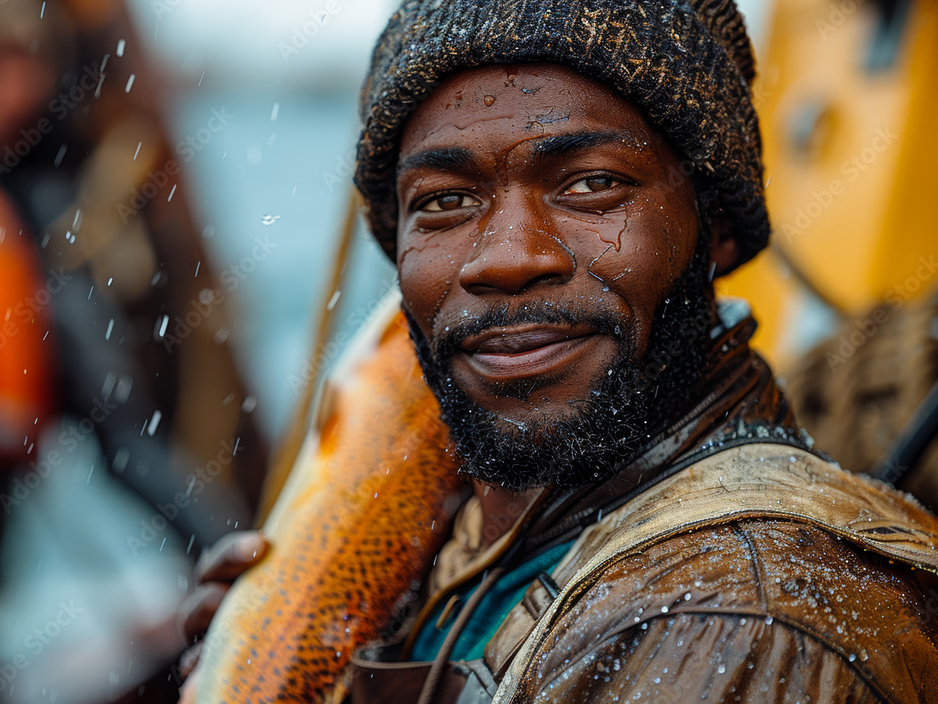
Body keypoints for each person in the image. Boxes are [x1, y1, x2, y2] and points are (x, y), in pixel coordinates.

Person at [179, 1, 938, 702]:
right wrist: (342, 648)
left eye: (591, 184)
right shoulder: (483, 545)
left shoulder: (741, 624)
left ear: (717, 229)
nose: (505, 258)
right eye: (444, 200)